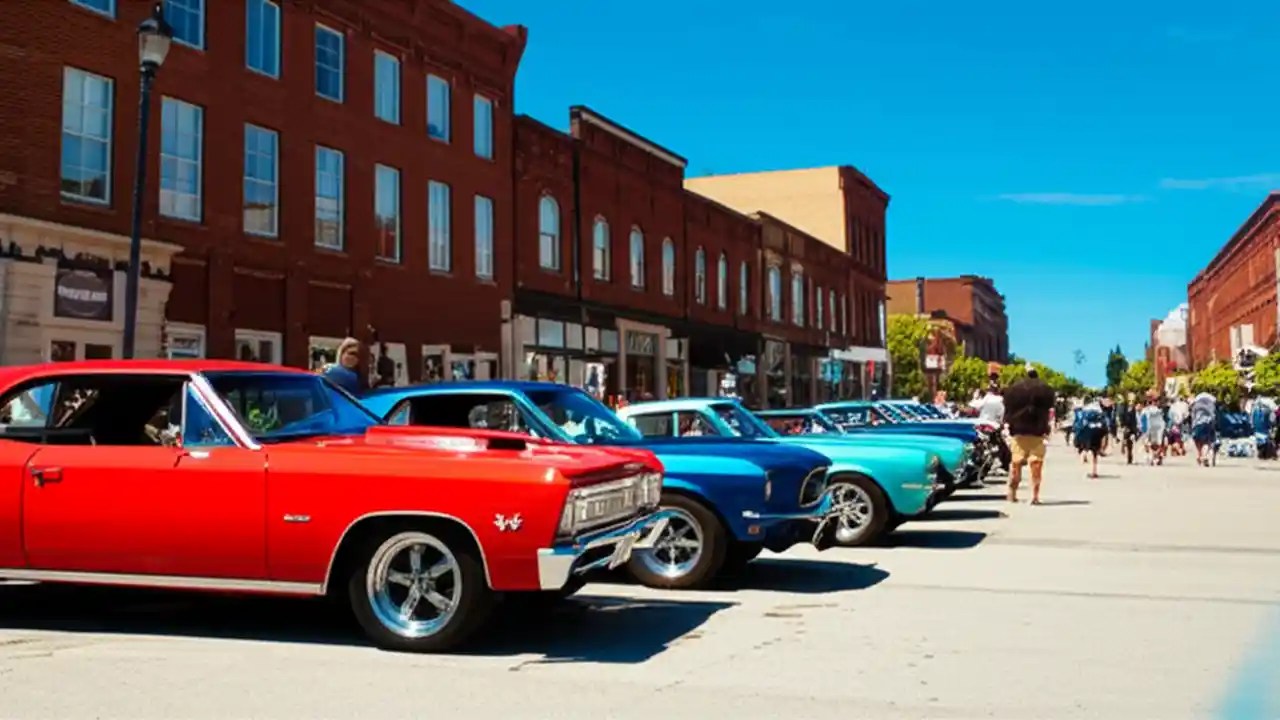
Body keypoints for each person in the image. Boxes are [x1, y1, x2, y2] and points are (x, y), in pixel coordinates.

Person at [1002, 363, 1056, 504]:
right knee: (1036, 464)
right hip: (1037, 432)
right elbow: (1050, 409)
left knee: (1016, 463)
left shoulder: (1014, 390)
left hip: (1018, 431)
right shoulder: (1046, 390)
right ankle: (1035, 496)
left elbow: (1007, 409)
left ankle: (1012, 493)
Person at [1076, 396, 1108, 479]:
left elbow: (1080, 423)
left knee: (1085, 447)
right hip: (1097, 432)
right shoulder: (1099, 410)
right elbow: (1104, 424)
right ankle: (1094, 471)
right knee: (1095, 453)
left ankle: (1084, 455)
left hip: (1087, 431)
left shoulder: (1085, 409)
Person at [1189, 391, 1218, 466]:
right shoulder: (1211, 405)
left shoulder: (1196, 405)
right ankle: (1204, 456)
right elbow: (1213, 416)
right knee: (1206, 442)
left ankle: (1200, 455)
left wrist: (1192, 426)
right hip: (1208, 424)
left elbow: (1193, 416)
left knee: (1197, 440)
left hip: (1197, 424)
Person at [1138, 394, 1167, 466]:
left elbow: (1142, 419)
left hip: (1152, 429)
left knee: (1151, 444)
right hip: (1155, 429)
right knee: (1155, 444)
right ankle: (1153, 457)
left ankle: (1153, 457)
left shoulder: (1150, 410)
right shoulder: (1158, 410)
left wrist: (1141, 428)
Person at [1117, 397, 1139, 465]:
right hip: (1127, 427)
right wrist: (1122, 425)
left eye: (1132, 401)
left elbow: (1134, 419)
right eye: (1130, 401)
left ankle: (1129, 457)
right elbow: (1121, 417)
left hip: (1132, 427)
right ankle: (1128, 456)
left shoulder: (1133, 409)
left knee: (1130, 444)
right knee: (1128, 442)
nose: (1131, 402)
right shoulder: (1124, 409)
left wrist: (1135, 430)